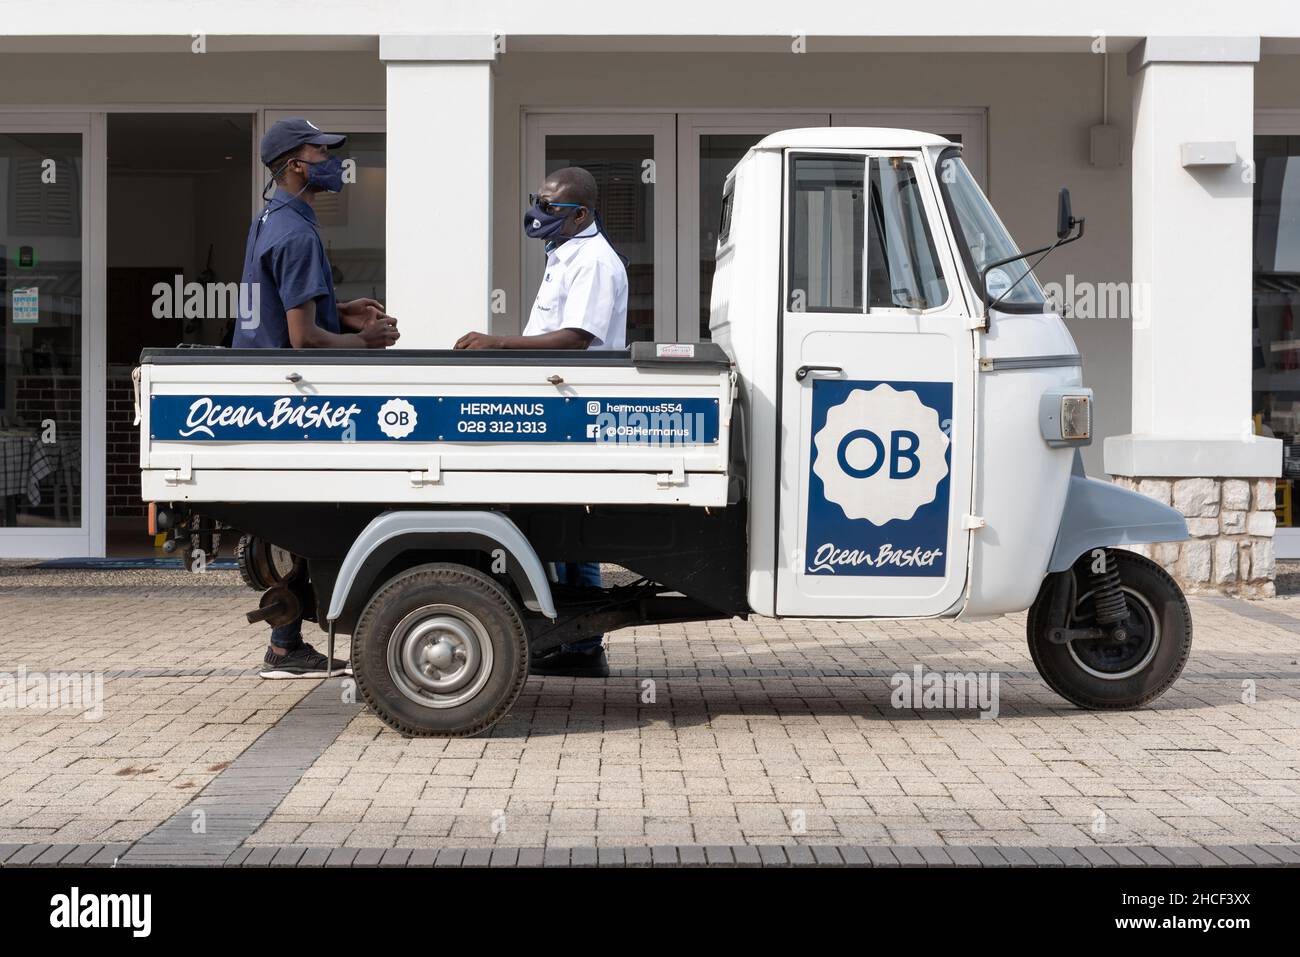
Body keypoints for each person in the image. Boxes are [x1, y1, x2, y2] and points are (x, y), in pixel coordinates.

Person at [235, 117, 400, 679]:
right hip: (293, 398)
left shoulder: (271, 220)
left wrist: (341, 308)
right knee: (318, 519)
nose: (333, 162)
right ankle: (291, 642)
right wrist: (365, 340)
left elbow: (295, 313)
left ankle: (285, 643)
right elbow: (302, 340)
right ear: (296, 165)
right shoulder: (298, 233)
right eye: (320, 151)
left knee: (293, 521)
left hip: (267, 395)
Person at [454, 166, 627, 677]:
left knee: (576, 538)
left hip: (577, 407)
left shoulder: (594, 261)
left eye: (552, 207)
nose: (540, 212)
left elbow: (574, 339)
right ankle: (569, 642)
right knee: (562, 536)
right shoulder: (565, 251)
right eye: (539, 200)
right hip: (555, 405)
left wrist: (498, 342)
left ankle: (582, 647)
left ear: (581, 214)